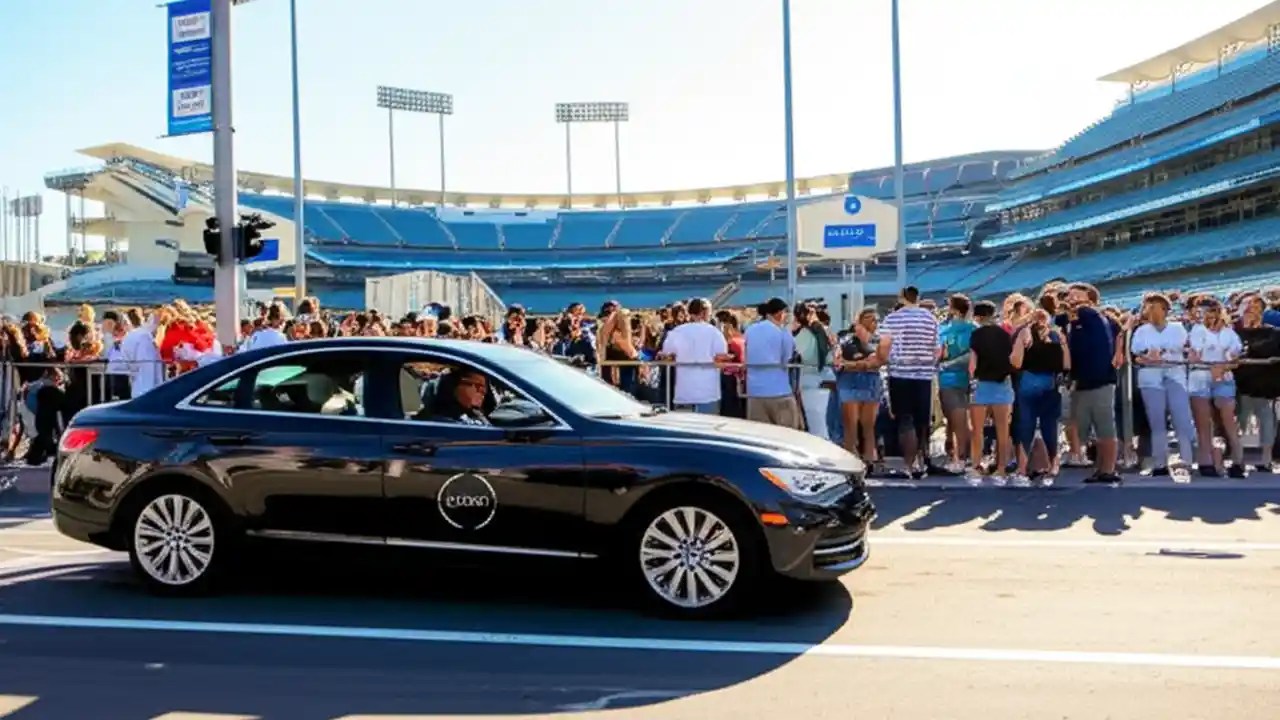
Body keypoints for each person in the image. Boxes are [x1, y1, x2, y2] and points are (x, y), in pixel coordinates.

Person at [1129, 293, 1197, 475]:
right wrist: (1147, 357)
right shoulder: (1141, 331)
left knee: (1180, 416)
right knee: (1156, 420)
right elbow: (1136, 353)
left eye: (1154, 307)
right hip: (1150, 378)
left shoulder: (1177, 328)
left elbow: (1179, 346)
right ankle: (1160, 462)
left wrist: (1161, 353)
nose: (1150, 311)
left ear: (1165, 309)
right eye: (1148, 307)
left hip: (1174, 375)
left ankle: (1187, 459)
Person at [878, 286, 940, 478]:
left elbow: (884, 346)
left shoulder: (892, 319)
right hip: (923, 375)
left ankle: (908, 464)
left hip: (900, 374)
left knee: (905, 419)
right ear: (918, 298)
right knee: (922, 421)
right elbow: (938, 350)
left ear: (902, 298)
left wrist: (884, 361)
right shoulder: (930, 319)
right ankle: (921, 462)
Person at [1065, 283, 1122, 484]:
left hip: (1099, 380)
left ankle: (1108, 469)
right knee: (1092, 427)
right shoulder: (1087, 319)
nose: (1070, 298)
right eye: (1069, 295)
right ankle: (1101, 467)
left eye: (1076, 295)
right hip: (1083, 380)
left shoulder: (1088, 314)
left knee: (1104, 425)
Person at [1010, 308, 1069, 483]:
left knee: (1025, 425)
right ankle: (1054, 463)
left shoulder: (1024, 334)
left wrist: (1020, 341)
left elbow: (1015, 362)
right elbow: (1066, 365)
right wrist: (1063, 345)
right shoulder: (1057, 337)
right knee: (1049, 426)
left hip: (1028, 381)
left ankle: (1022, 467)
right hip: (1050, 383)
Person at [1188, 301, 1245, 477]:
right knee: (1203, 423)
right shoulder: (1197, 330)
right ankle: (1206, 462)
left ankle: (1237, 462)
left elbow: (1235, 356)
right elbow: (1195, 354)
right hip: (1200, 377)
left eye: (1212, 311)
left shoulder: (1229, 333)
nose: (1209, 315)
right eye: (1204, 312)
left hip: (1224, 377)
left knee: (1229, 419)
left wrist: (1224, 366)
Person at [967, 301, 1016, 484]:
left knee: (977, 430)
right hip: (1002, 383)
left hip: (982, 384)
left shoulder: (976, 335)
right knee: (1003, 429)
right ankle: (1001, 467)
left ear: (977, 316)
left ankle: (976, 465)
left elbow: (973, 364)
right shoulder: (1005, 334)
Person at [660, 297, 728, 414]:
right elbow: (721, 359)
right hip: (708, 392)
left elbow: (667, 355)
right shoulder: (714, 333)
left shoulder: (677, 331)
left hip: (683, 392)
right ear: (704, 312)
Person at [743, 298, 800, 429]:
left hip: (754, 392)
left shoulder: (750, 330)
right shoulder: (783, 333)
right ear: (780, 313)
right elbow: (786, 359)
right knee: (787, 434)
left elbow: (745, 355)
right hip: (778, 391)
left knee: (760, 437)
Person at [837, 308, 883, 462]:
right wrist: (863, 364)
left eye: (875, 320)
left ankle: (869, 460)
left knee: (868, 426)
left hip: (868, 381)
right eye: (870, 319)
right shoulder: (846, 339)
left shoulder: (878, 340)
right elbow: (840, 362)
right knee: (851, 426)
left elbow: (878, 362)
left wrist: (853, 364)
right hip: (852, 381)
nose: (873, 323)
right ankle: (852, 460)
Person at [937, 294, 974, 473]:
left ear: (954, 309)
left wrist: (947, 363)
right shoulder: (973, 329)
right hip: (965, 379)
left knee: (957, 419)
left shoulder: (945, 330)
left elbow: (939, 354)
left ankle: (960, 457)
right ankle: (955, 454)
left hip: (948, 378)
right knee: (955, 420)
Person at [121, 308, 166, 397]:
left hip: (137, 386)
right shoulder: (144, 338)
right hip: (147, 391)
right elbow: (148, 367)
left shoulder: (130, 336)